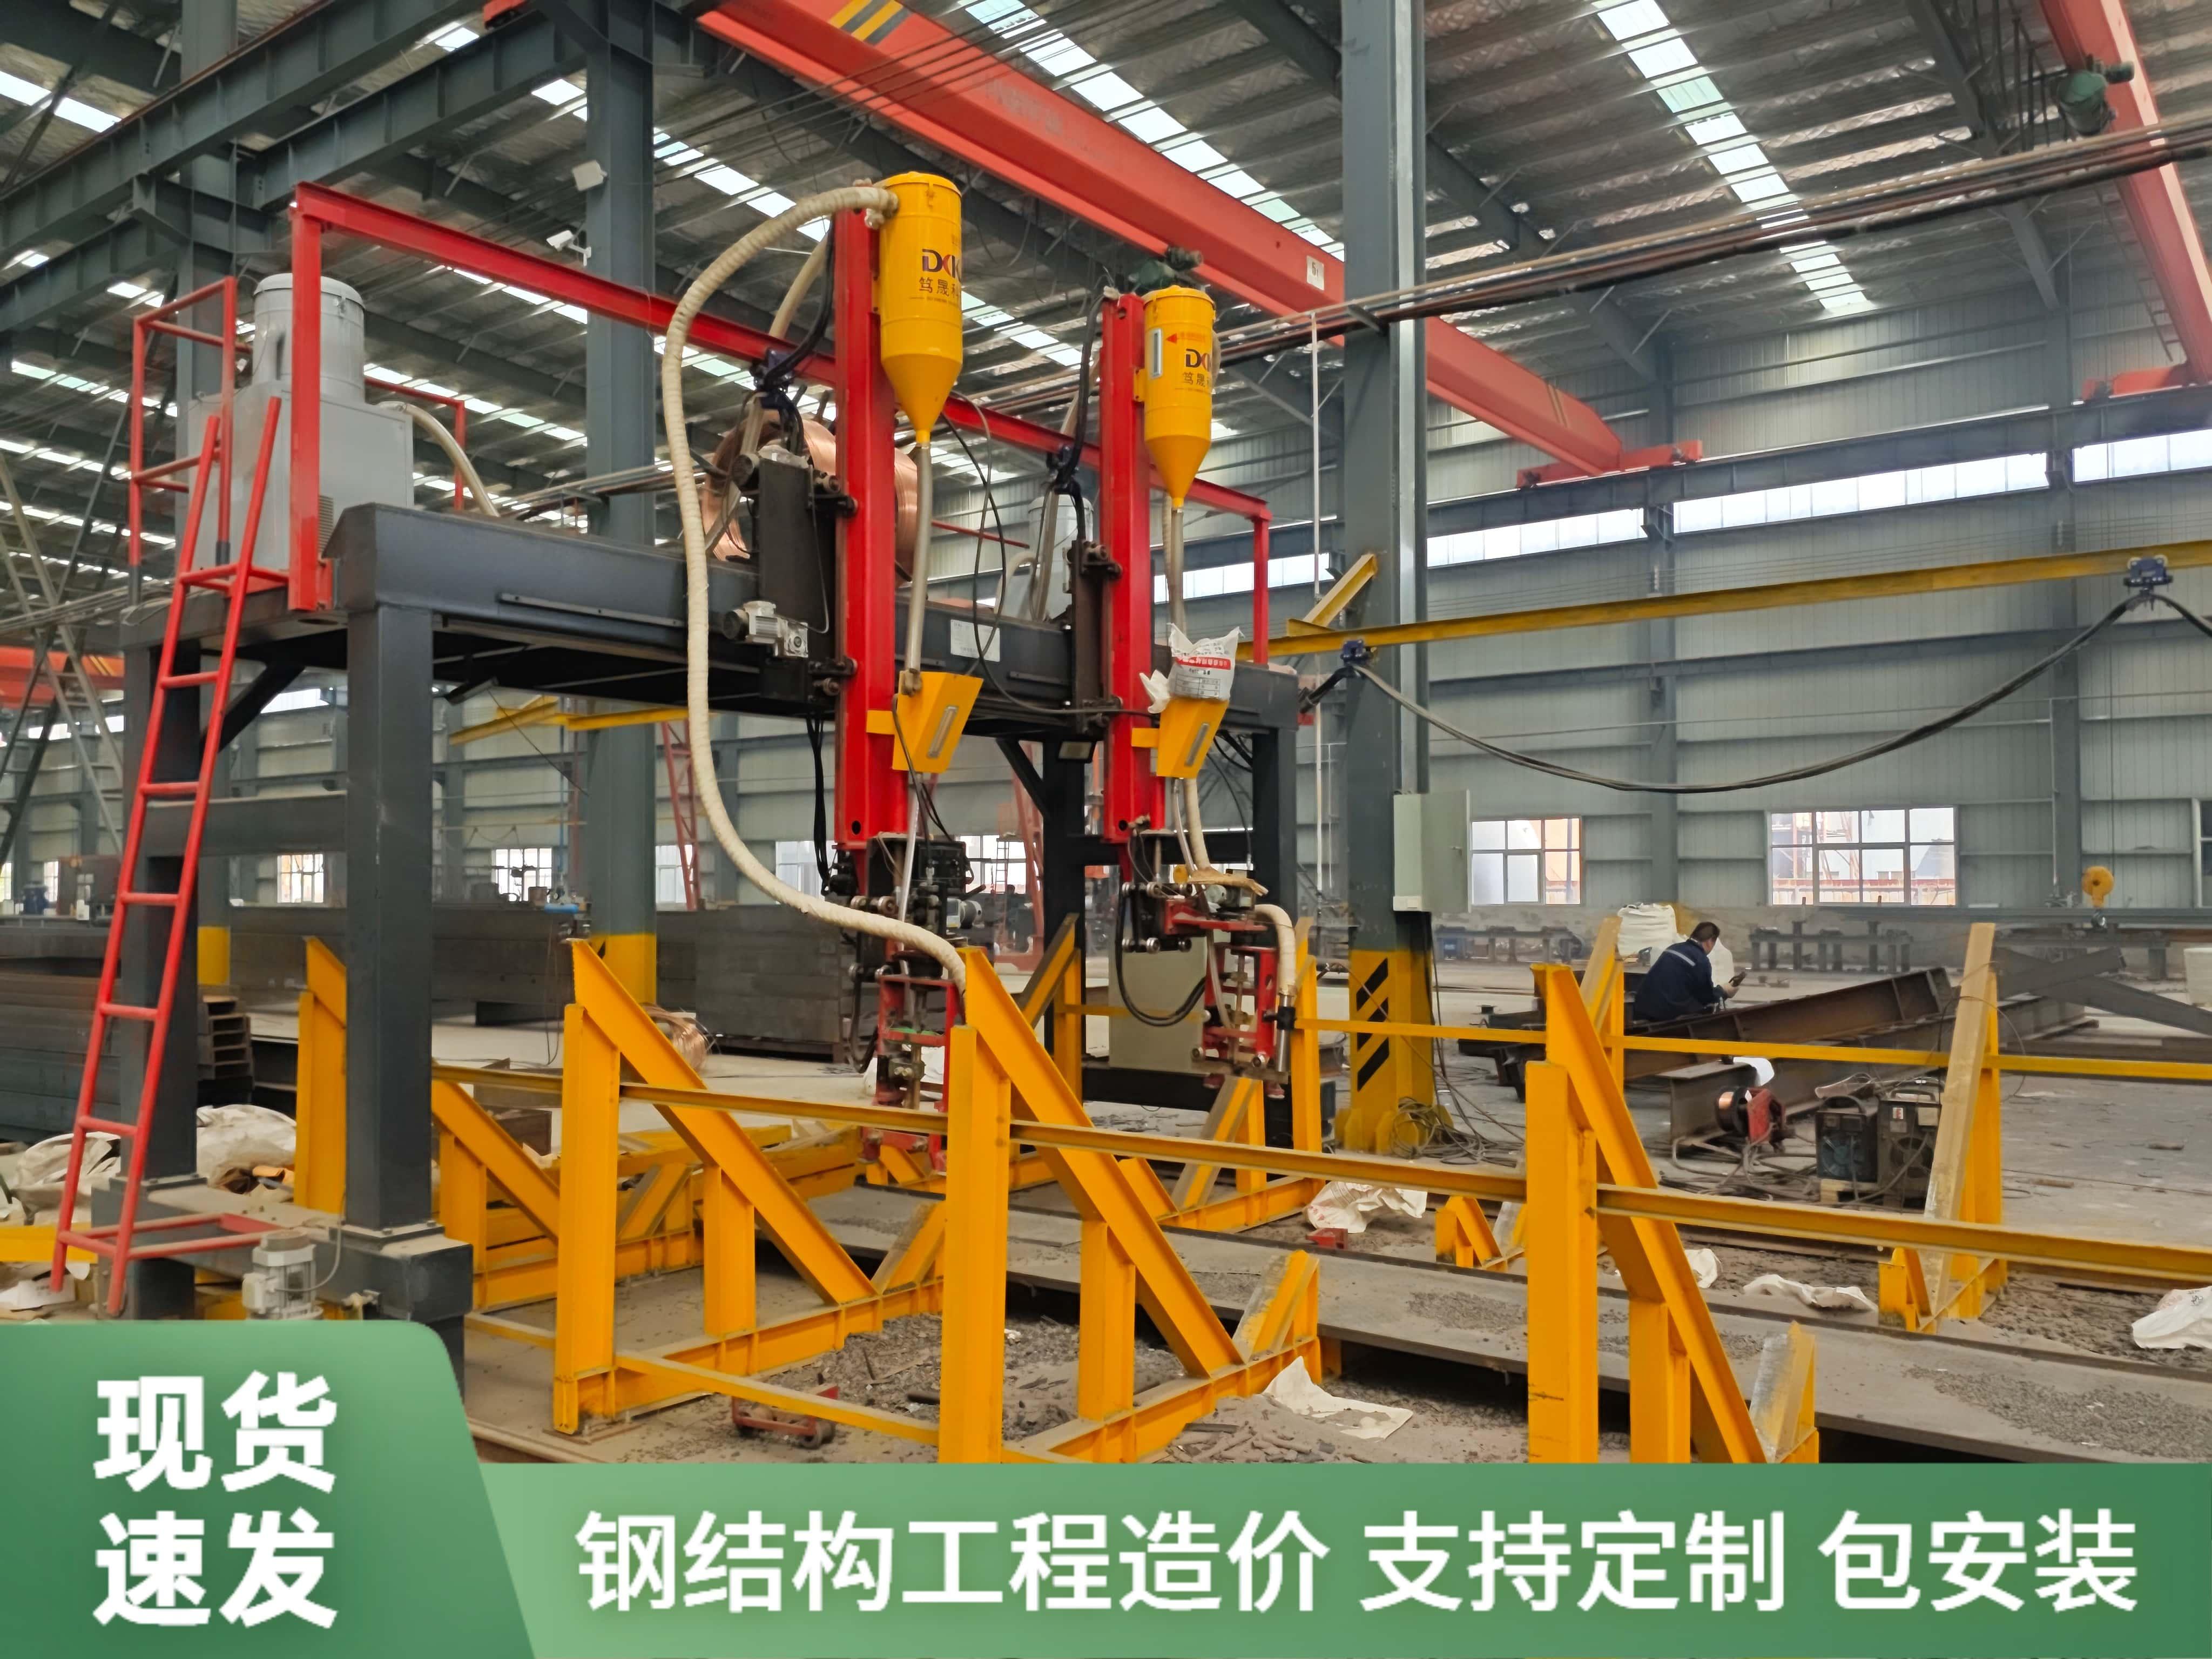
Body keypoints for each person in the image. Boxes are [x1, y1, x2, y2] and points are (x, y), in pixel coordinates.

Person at [1630, 921, 1742, 1024]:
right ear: (1710, 941)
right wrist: (1724, 991)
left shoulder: (1673, 948)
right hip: (1662, 1015)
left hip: (1641, 1008)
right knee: (1706, 1007)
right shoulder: (1700, 960)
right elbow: (1706, 997)